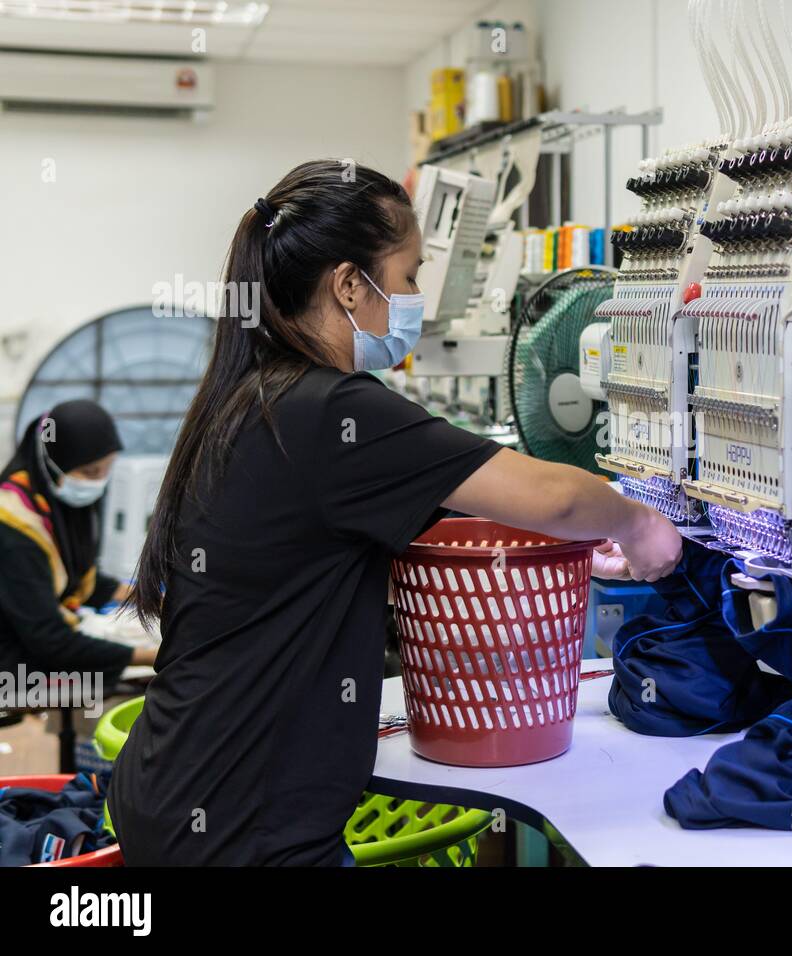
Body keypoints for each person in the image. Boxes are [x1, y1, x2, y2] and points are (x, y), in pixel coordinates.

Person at [109, 160, 682, 866]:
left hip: (183, 785)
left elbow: (409, 520)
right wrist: (638, 524)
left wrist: (565, 535)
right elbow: (558, 496)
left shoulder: (256, 398)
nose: (415, 299)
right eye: (408, 277)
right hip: (240, 824)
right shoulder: (332, 410)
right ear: (350, 284)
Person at [0, 400, 156, 691]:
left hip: (40, 641)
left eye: (106, 470)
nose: (98, 482)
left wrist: (150, 599)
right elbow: (50, 641)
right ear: (53, 463)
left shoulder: (51, 501)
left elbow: (80, 581)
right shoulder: (13, 525)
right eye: (89, 472)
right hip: (12, 664)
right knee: (137, 678)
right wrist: (151, 657)